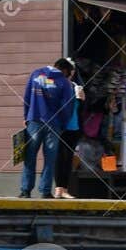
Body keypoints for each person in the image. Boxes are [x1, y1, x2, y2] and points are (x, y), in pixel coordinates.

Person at [19, 59, 73, 199]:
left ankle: (25, 191)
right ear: (65, 70)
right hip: (54, 124)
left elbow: (26, 97)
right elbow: (67, 107)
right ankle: (45, 191)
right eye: (69, 74)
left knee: (29, 157)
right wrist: (64, 124)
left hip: (34, 120)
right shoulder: (64, 82)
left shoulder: (35, 74)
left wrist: (26, 116)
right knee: (50, 159)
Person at [51, 57, 84, 200]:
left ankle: (64, 189)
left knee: (68, 158)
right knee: (60, 158)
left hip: (74, 128)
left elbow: (80, 109)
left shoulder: (76, 86)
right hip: (60, 127)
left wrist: (82, 99)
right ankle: (59, 189)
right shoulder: (55, 86)